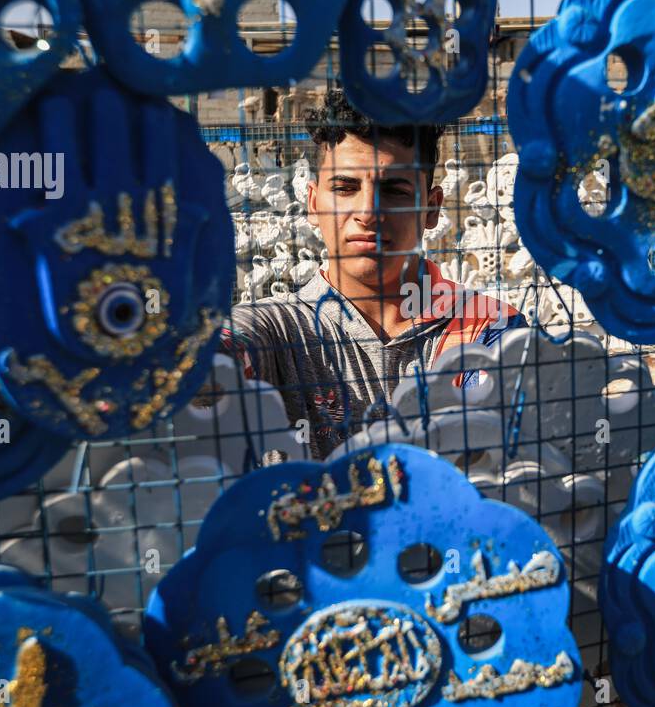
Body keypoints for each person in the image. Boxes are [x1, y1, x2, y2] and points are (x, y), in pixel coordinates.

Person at [223, 90, 524, 460]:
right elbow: (217, 353)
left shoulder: (489, 327)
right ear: (314, 204)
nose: (367, 211)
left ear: (431, 209)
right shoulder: (276, 328)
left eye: (393, 190)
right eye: (346, 188)